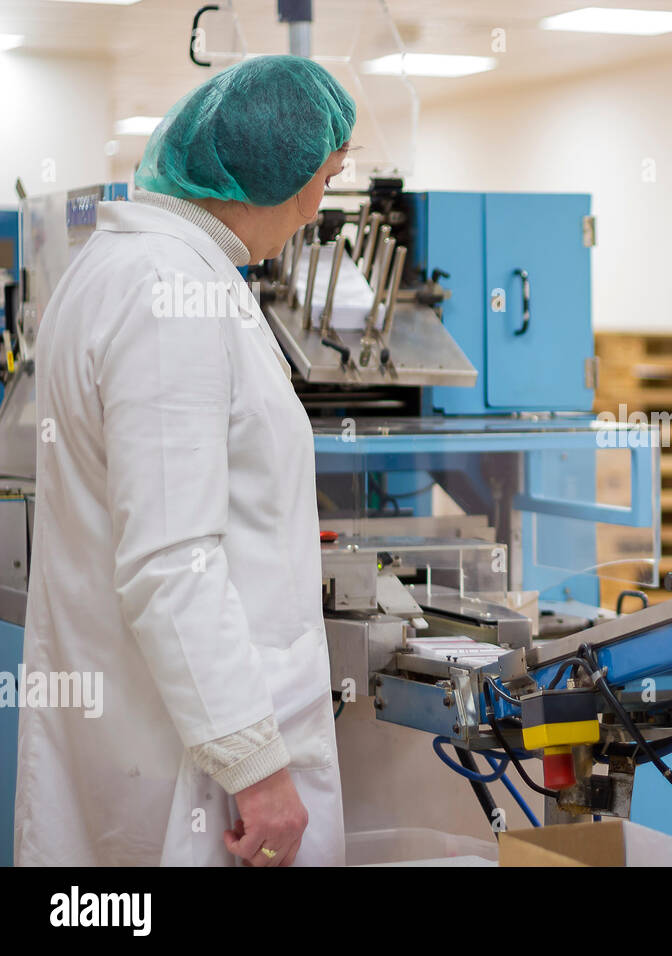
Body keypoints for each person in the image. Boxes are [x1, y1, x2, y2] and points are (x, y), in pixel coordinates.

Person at [15, 55, 355, 866]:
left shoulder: (124, 268)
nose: (316, 211)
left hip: (139, 729)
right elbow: (173, 562)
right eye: (321, 182)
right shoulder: (170, 293)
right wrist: (256, 766)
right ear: (265, 176)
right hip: (200, 767)